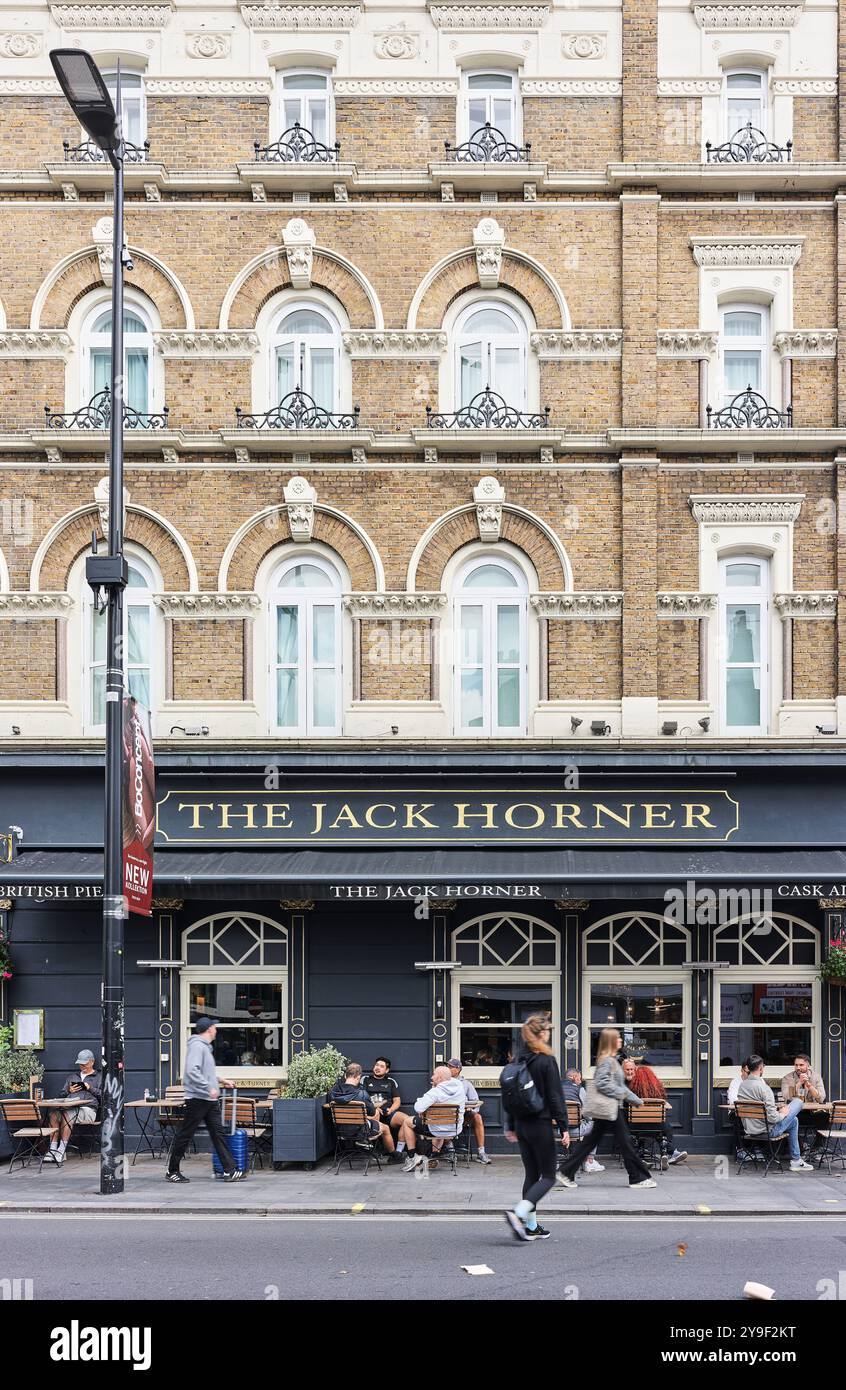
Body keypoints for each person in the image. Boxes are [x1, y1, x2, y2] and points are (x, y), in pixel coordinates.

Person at [557, 1029, 656, 1191]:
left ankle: (566, 1172)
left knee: (591, 1143)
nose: (620, 1041)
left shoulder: (609, 1059)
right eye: (617, 1038)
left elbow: (613, 1084)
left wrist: (631, 1097)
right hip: (610, 1107)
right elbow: (603, 1084)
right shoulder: (607, 1061)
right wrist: (628, 1096)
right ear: (610, 1041)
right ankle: (637, 1178)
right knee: (626, 1143)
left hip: (608, 1108)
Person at [503, 1014, 569, 1242]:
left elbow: (510, 1096)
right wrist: (564, 1126)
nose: (549, 1034)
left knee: (532, 1174)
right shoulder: (546, 1060)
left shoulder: (518, 1061)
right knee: (549, 1176)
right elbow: (555, 1096)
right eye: (548, 1030)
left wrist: (510, 1125)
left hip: (521, 1125)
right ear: (541, 1034)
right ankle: (518, 1213)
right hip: (540, 1124)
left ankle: (531, 1227)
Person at [165, 1017, 246, 1183]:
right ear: (209, 1029)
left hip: (208, 1099)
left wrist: (221, 1080)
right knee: (185, 1135)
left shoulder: (204, 1048)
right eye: (214, 1026)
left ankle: (229, 1171)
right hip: (198, 1098)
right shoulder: (197, 1046)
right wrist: (209, 1087)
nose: (216, 1029)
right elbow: (192, 1071)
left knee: (218, 1133)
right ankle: (172, 1171)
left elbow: (205, 1072)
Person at [736, 1054, 814, 1172]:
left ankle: (796, 1160)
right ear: (761, 1068)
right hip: (768, 1131)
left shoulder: (742, 1086)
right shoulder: (764, 1088)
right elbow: (773, 1118)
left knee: (794, 1121)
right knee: (798, 1102)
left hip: (750, 1130)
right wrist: (783, 1113)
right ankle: (796, 1161)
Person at [395, 1065, 465, 1172]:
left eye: (434, 1074)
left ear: (440, 1078)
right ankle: (433, 1155)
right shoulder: (460, 1086)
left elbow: (418, 1107)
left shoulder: (435, 1092)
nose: (432, 1077)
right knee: (440, 1122)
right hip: (454, 1129)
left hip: (435, 1129)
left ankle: (412, 1156)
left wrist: (433, 1089)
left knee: (407, 1121)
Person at [622, 1057, 688, 1169]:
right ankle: (667, 1153)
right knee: (662, 1126)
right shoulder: (653, 1089)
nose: (630, 1072)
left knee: (651, 1126)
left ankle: (640, 1157)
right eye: (627, 1070)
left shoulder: (630, 1089)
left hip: (635, 1126)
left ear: (636, 1070)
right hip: (655, 1126)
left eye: (632, 1070)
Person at [46, 1048, 102, 1166]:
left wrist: (89, 1088)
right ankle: (53, 1149)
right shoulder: (72, 1077)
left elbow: (104, 1096)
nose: (82, 1066)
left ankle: (62, 1149)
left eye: (85, 1064)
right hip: (69, 1107)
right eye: (80, 1064)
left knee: (67, 1115)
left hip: (88, 1110)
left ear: (92, 1062)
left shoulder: (99, 1077)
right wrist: (68, 1090)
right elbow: (61, 1095)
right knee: (53, 1115)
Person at [328, 1062, 395, 1154]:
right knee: (386, 1128)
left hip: (341, 1130)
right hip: (360, 1131)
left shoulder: (333, 1092)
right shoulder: (362, 1094)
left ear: (345, 1075)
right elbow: (371, 1112)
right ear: (358, 1076)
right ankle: (394, 1155)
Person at [780, 1053, 827, 1155]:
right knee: (791, 1120)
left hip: (812, 1112)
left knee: (824, 1116)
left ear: (808, 1065)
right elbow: (786, 1096)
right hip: (796, 1113)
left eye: (801, 1065)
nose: (798, 1067)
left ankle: (816, 1148)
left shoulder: (816, 1077)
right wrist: (799, 1083)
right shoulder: (787, 1078)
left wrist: (809, 1085)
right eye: (796, 1065)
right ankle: (801, 1148)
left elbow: (821, 1098)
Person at [447, 1058, 491, 1164]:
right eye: (447, 1066)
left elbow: (475, 1101)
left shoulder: (466, 1084)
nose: (448, 1069)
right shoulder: (442, 1082)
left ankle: (481, 1152)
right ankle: (450, 1150)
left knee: (477, 1117)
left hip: (464, 1116)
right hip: (448, 1115)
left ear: (458, 1069)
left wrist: (471, 1108)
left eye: (450, 1067)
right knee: (441, 1117)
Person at [562, 1067, 603, 1174]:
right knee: (596, 1126)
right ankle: (589, 1161)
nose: (580, 1081)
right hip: (575, 1130)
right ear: (574, 1077)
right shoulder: (580, 1090)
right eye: (579, 1078)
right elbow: (588, 1114)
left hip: (555, 1131)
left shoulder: (554, 1089)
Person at [360, 1057, 404, 1159]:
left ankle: (398, 1151)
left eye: (381, 1066)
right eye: (376, 1065)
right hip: (372, 1112)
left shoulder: (390, 1082)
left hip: (388, 1112)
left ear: (387, 1070)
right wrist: (373, 1108)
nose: (378, 1068)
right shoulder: (365, 1080)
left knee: (406, 1120)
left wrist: (391, 1110)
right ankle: (373, 1149)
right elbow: (362, 1098)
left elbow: (397, 1100)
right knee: (376, 1112)